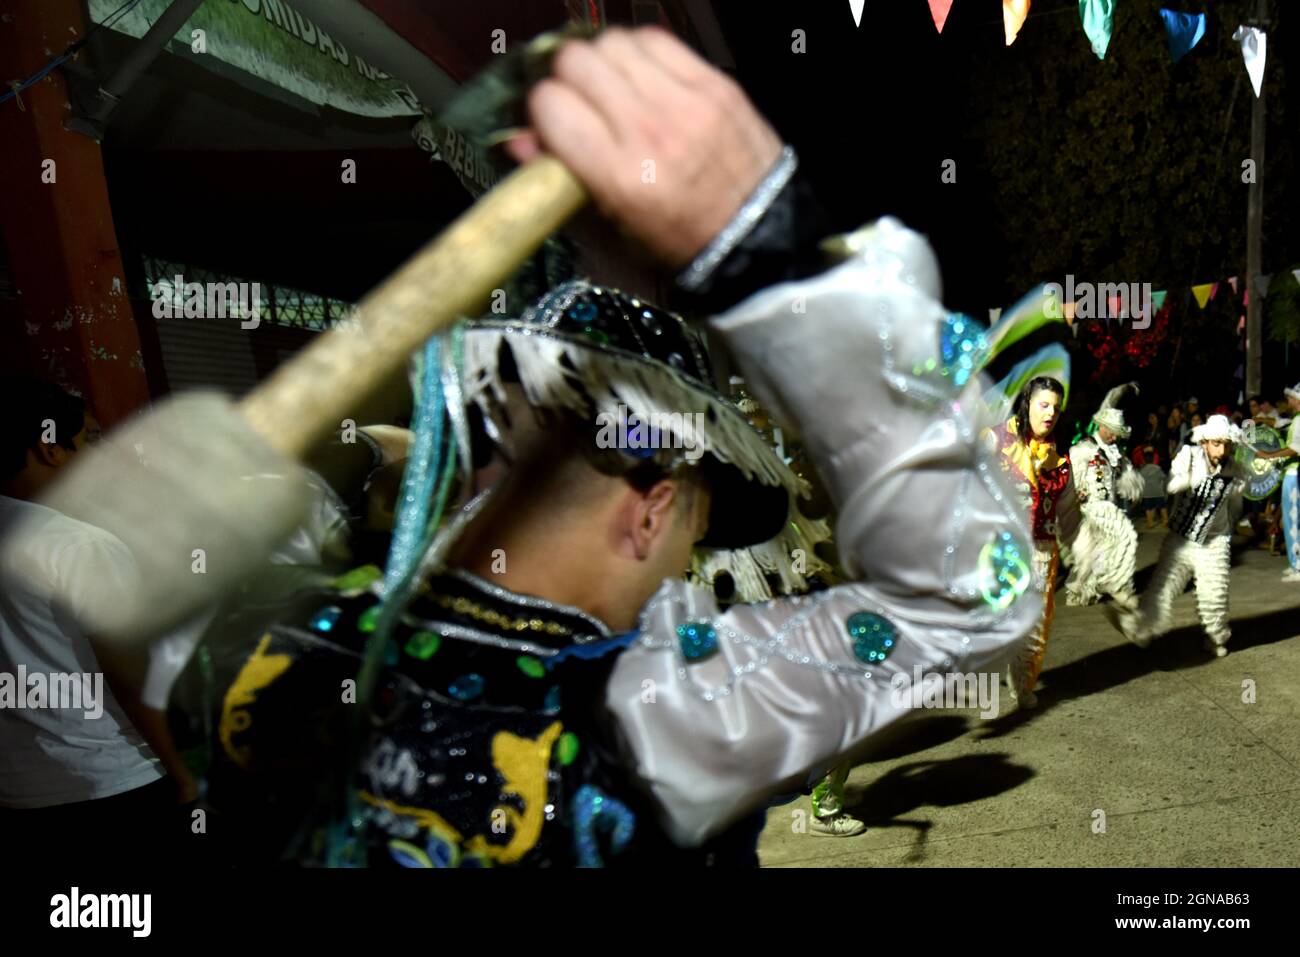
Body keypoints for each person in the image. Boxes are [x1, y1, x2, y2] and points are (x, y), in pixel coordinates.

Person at [195, 26, 1041, 867]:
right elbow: (973, 594)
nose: (686, 560)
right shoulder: (653, 711)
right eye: (696, 526)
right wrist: (764, 248)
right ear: (652, 510)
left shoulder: (284, 647)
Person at [0, 377, 196, 862]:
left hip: (18, 787)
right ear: (49, 448)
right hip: (111, 779)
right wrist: (182, 772)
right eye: (89, 438)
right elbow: (131, 674)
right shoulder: (78, 543)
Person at [1112, 414, 1246, 657]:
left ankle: (1216, 636)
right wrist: (1194, 479)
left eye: (1226, 444)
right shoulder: (1189, 456)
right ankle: (1140, 629)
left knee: (1213, 594)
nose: (1222, 449)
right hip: (1182, 538)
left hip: (1215, 541)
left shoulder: (1234, 468)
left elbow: (1235, 505)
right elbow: (1170, 486)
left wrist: (1231, 521)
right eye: (1216, 443)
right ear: (1204, 442)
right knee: (1162, 587)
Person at [983, 377, 1080, 708]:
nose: (1051, 413)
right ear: (1028, 404)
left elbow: (1068, 512)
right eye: (1044, 404)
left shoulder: (1059, 459)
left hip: (1041, 551)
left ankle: (1024, 683)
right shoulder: (995, 440)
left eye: (1056, 406)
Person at [1065, 384, 1144, 608]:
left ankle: (1094, 588)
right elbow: (1073, 476)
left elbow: (1127, 479)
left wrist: (1131, 484)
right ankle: (1113, 587)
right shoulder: (1084, 449)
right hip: (1091, 507)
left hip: (1109, 505)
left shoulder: (1115, 452)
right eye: (1110, 430)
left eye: (1115, 432)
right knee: (1115, 541)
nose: (1112, 436)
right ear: (1101, 426)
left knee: (1100, 551)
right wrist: (1075, 492)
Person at [1251, 383, 1300, 580]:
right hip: (1292, 474)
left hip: (1295, 475)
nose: (1288, 401)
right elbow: (1279, 424)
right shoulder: (1295, 419)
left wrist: (1269, 455)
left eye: (1291, 398)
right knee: (1290, 520)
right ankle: (1294, 563)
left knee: (1293, 519)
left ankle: (1297, 566)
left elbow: (1295, 448)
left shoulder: (1299, 421)